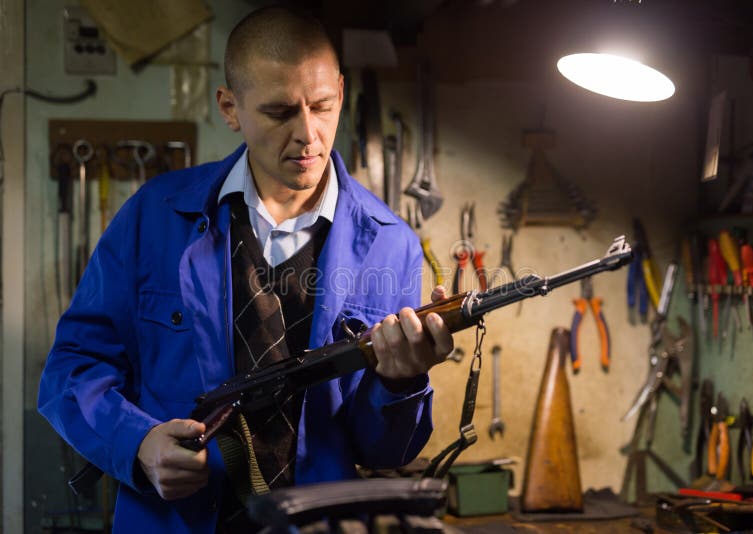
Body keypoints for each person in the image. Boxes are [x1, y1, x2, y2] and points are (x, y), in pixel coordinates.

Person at [38, 6, 454, 533]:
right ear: (230, 108)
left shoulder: (391, 245)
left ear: (341, 93)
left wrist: (401, 382)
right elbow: (72, 368)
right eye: (280, 112)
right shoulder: (153, 217)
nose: (308, 135)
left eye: (322, 106)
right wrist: (137, 443)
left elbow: (384, 452)